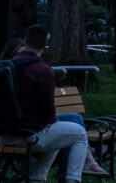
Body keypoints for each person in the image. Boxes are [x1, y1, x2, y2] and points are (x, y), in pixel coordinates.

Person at [8, 28, 106, 181]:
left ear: (26, 42)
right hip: (27, 135)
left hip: (3, 134)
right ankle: (73, 179)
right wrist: (52, 121)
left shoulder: (6, 68)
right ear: (45, 44)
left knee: (59, 133)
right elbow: (48, 108)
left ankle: (38, 178)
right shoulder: (43, 70)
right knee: (78, 133)